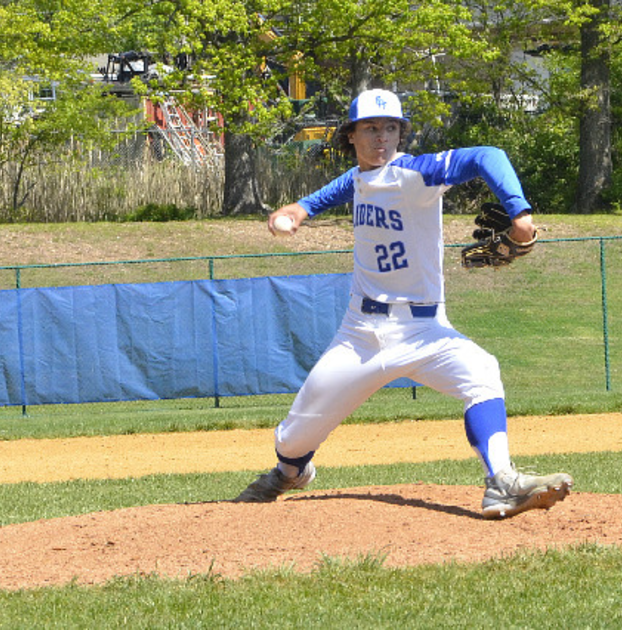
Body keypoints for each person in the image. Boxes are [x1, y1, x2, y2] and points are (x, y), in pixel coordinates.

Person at [233, 89, 572, 519]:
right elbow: (334, 192)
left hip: (426, 331)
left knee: (482, 371)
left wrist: (519, 214)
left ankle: (502, 482)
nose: (382, 138)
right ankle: (289, 473)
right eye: (371, 128)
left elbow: (489, 154)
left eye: (391, 127)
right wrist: (298, 211)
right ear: (350, 136)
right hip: (361, 336)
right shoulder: (359, 178)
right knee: (292, 440)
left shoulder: (417, 174)